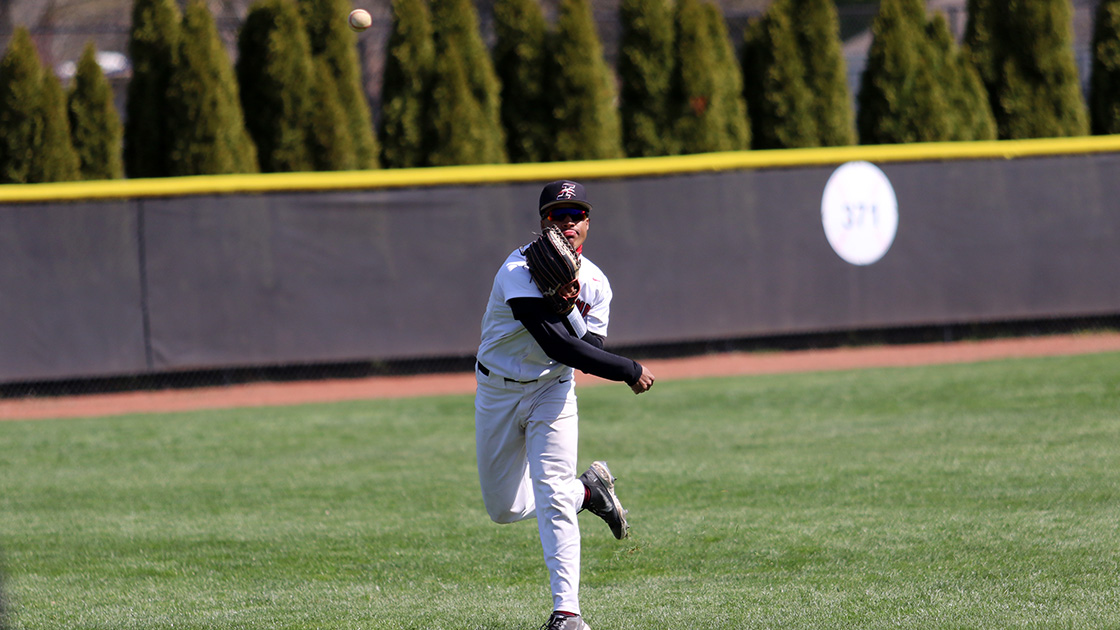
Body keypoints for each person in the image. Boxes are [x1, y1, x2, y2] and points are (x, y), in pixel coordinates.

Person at [474, 180, 656, 630]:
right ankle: (589, 492)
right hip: (498, 390)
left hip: (552, 390)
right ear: (544, 223)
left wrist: (570, 307)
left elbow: (589, 347)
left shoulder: (595, 282)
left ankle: (568, 613)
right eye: (559, 215)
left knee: (553, 494)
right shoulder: (517, 270)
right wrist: (629, 370)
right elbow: (557, 344)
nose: (569, 222)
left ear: (588, 223)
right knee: (503, 509)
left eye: (578, 215)